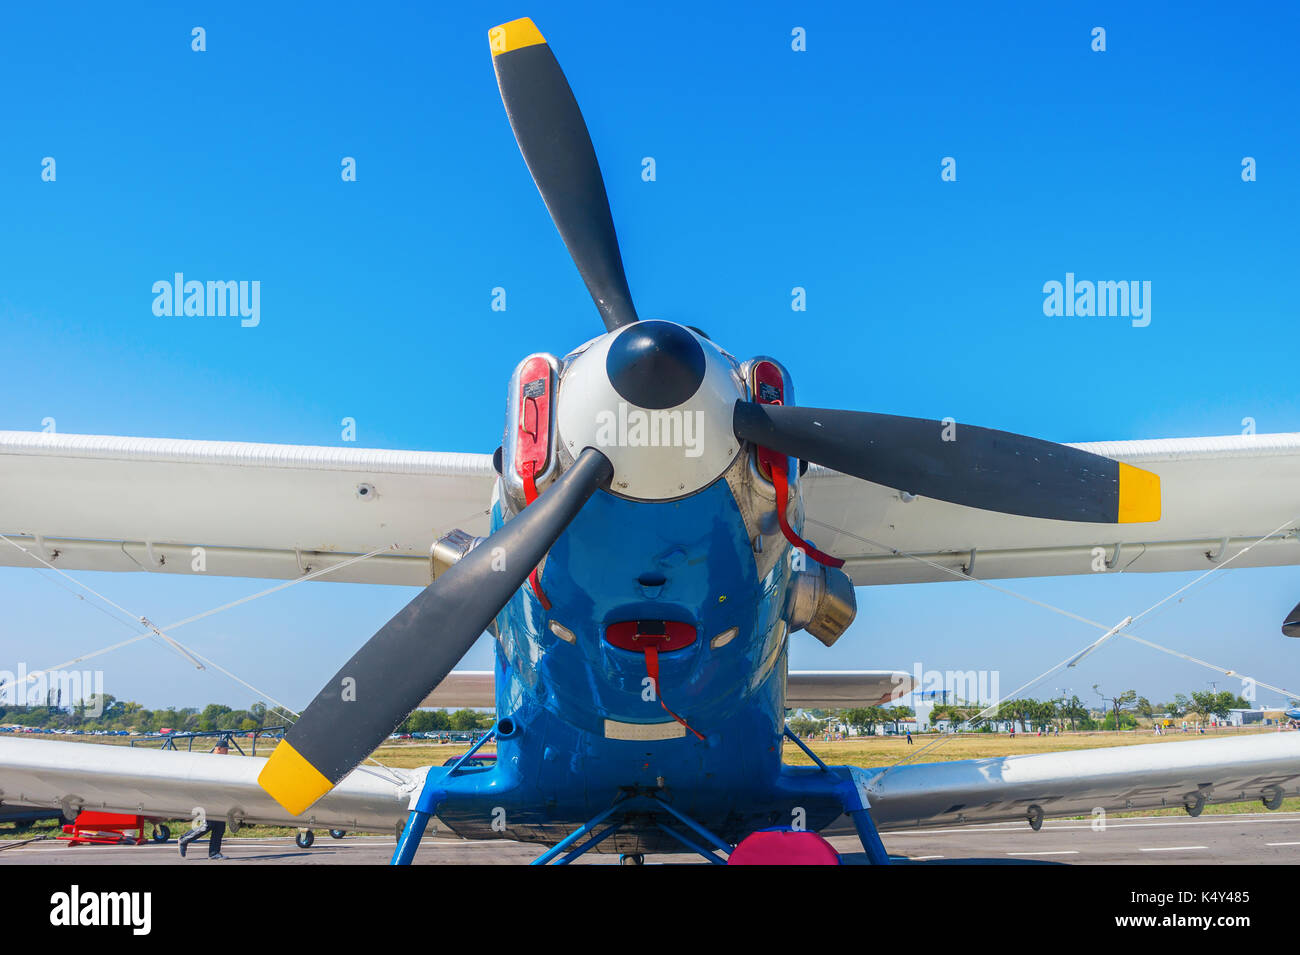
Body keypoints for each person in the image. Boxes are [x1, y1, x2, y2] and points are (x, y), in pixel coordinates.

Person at [179, 739, 230, 860]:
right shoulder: (209, 761)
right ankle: (184, 839)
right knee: (209, 824)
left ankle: (214, 853)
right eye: (226, 750)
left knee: (220, 827)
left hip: (217, 798)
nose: (227, 752)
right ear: (218, 749)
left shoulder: (220, 762)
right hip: (209, 798)